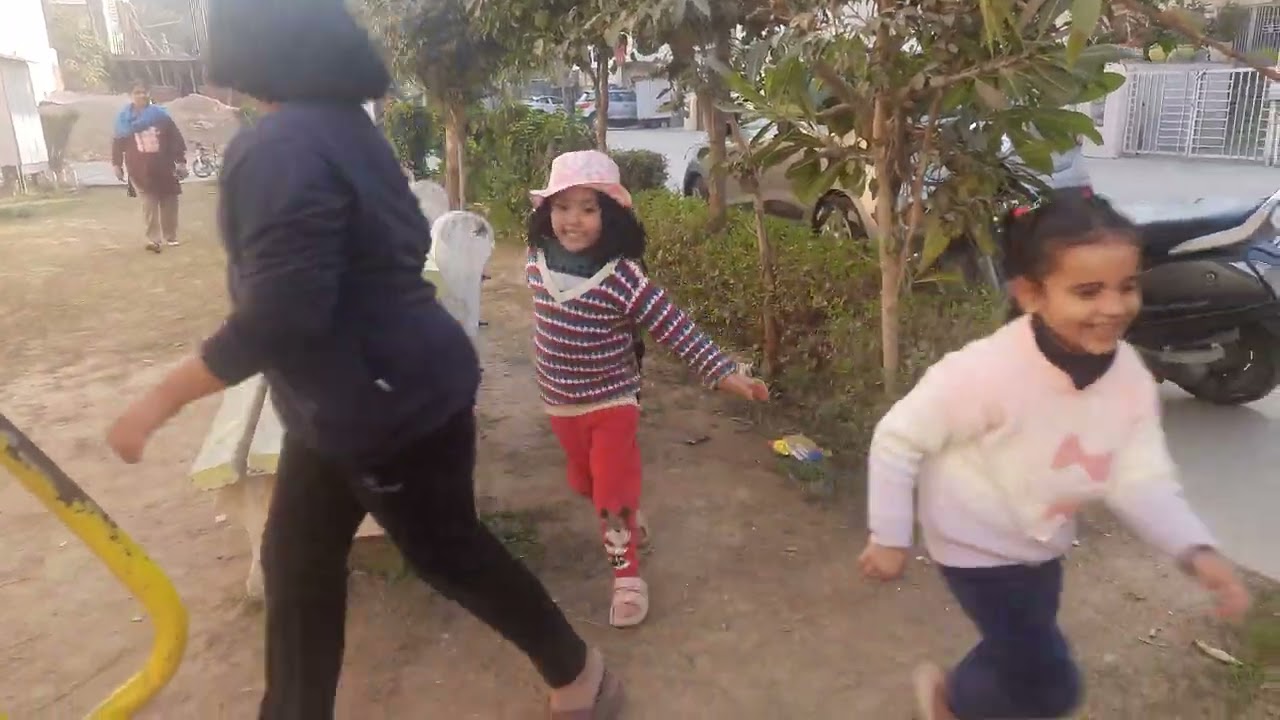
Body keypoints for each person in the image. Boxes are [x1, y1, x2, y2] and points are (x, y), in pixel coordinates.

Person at [105, 2, 623, 718]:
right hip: (348, 404)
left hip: (385, 409)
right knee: (296, 566)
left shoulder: (282, 145)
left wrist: (154, 405)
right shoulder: (349, 128)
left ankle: (577, 671)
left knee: (448, 554)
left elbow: (281, 317)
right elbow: (394, 251)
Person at [857, 190, 1252, 720]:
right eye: (1088, 291)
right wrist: (889, 535)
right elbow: (897, 438)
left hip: (1044, 544)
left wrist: (1194, 550)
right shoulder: (984, 373)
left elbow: (1138, 478)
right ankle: (957, 703)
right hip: (974, 544)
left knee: (1022, 641)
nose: (1113, 307)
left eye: (1127, 286)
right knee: (1052, 680)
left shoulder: (1129, 376)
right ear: (1032, 294)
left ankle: (954, 693)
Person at [526, 150, 770, 628]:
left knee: (611, 495)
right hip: (558, 402)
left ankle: (627, 578)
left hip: (613, 402)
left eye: (588, 208)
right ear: (545, 212)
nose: (572, 220)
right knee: (584, 483)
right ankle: (627, 522)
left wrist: (724, 372)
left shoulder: (624, 278)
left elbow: (676, 328)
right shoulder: (535, 261)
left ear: (610, 216)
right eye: (561, 207)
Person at [111, 82, 187, 253]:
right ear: (131, 95)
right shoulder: (124, 120)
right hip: (139, 169)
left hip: (164, 167)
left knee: (169, 202)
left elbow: (175, 139)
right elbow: (118, 143)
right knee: (149, 204)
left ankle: (171, 236)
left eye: (144, 92)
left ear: (149, 95)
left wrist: (181, 161)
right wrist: (116, 164)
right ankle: (154, 239)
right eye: (137, 92)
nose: (142, 96)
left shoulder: (161, 116)